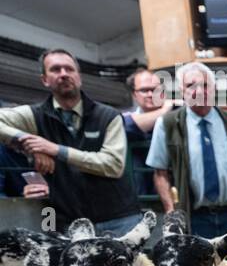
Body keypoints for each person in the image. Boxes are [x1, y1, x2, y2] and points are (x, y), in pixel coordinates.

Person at [0, 49, 137, 235]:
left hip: (118, 219)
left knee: (129, 265)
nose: (64, 74)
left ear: (79, 76)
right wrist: (29, 145)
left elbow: (113, 165)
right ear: (45, 79)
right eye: (55, 69)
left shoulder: (108, 115)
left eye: (69, 69)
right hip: (70, 223)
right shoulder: (35, 116)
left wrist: (55, 150)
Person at [147, 62, 227, 239]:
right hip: (194, 222)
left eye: (204, 85)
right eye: (190, 86)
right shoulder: (168, 125)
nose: (199, 91)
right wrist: (172, 215)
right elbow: (160, 173)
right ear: (181, 91)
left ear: (214, 89)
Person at [121, 67, 179, 196]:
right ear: (134, 94)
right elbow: (125, 127)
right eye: (144, 90)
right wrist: (164, 111)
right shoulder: (126, 119)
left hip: (177, 195)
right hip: (140, 199)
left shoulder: (179, 113)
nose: (150, 94)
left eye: (154, 89)